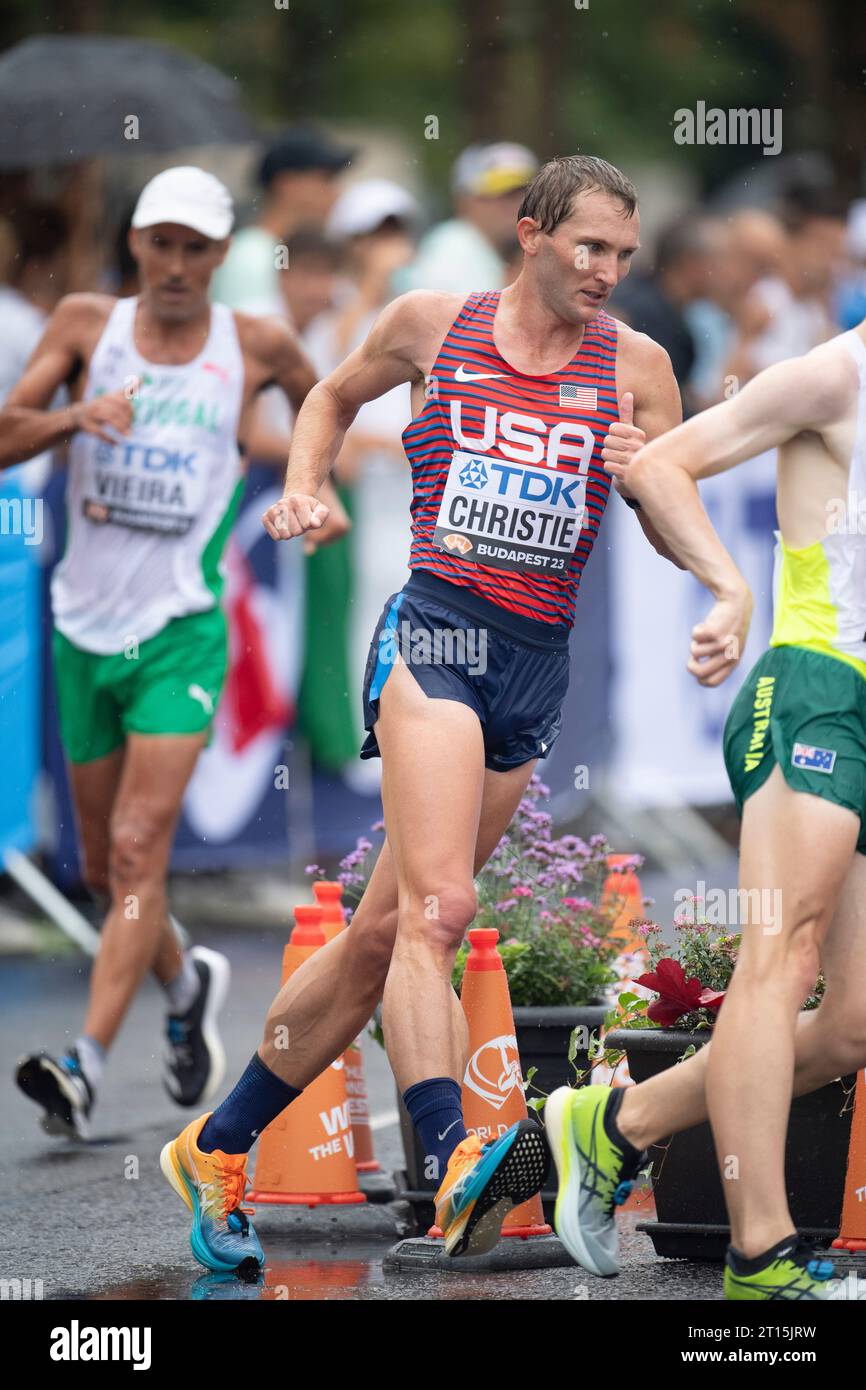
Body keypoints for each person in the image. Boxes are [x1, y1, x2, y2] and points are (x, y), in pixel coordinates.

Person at [160, 153, 688, 1275]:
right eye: (588, 247)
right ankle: (453, 1160)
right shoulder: (427, 322)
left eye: (624, 256)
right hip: (433, 636)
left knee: (376, 939)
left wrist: (645, 481)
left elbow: (656, 511)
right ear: (530, 235)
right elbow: (328, 395)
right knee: (440, 910)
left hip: (532, 669)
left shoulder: (636, 365)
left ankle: (217, 1143)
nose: (606, 271)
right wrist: (306, 482)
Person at [2, 166, 337, 1141]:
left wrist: (310, 485)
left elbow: (328, 401)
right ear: (137, 244)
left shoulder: (254, 344)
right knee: (104, 865)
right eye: (163, 244)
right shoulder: (81, 327)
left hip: (183, 630)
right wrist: (72, 416)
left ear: (223, 255)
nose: (179, 264)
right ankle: (187, 980)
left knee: (141, 848)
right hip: (80, 625)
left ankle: (84, 1062)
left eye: (198, 248)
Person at [545, 311, 866, 1301]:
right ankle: (760, 1256)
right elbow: (657, 466)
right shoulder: (834, 373)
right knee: (780, 959)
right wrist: (725, 586)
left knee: (850, 1026)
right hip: (812, 689)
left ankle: (612, 1125)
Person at [211, 124, 353, 317]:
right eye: (325, 179)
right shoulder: (251, 255)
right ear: (287, 184)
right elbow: (249, 338)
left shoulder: (271, 249)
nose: (336, 193)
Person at [401, 141, 538, 295]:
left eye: (525, 193)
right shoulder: (451, 250)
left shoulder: (514, 252)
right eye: (504, 194)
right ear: (465, 201)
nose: (518, 204)